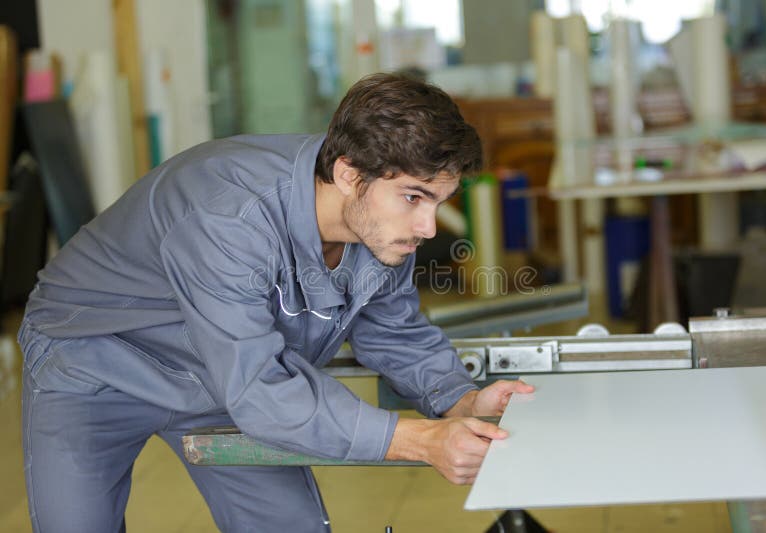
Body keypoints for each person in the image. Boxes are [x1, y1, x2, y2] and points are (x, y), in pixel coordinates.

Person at [19, 73, 533, 532]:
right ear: (350, 175)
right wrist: (419, 440)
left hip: (227, 376)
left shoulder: (379, 225)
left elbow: (394, 332)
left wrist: (458, 398)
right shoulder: (230, 217)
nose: (427, 227)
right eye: (415, 197)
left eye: (440, 203)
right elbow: (261, 394)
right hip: (94, 364)